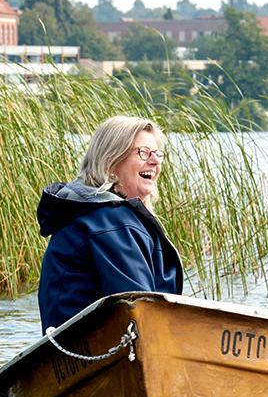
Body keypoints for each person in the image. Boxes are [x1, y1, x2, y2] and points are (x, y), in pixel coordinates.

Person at [36, 115, 183, 331]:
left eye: (157, 153)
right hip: (96, 352)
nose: (154, 161)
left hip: (76, 354)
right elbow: (141, 309)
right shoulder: (111, 222)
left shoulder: (90, 213)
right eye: (143, 152)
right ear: (111, 161)